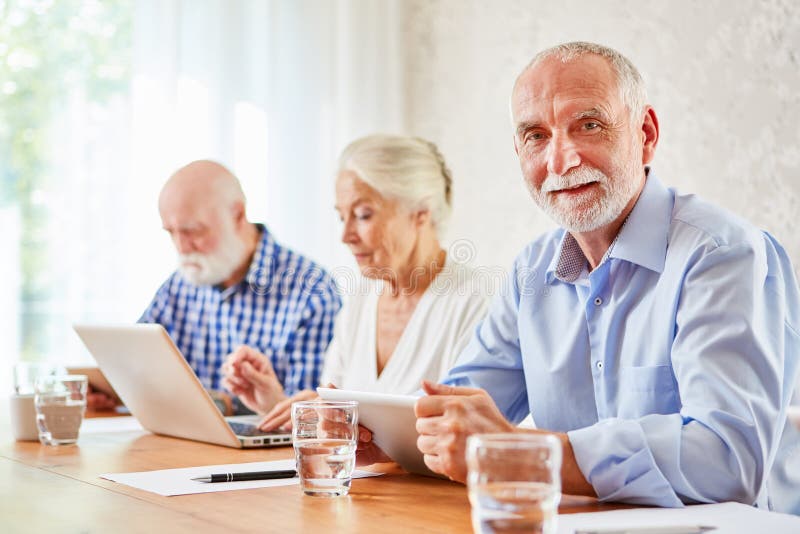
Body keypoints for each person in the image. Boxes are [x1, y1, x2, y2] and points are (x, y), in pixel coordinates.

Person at [366, 42, 800, 512]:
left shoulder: (722, 254)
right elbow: (459, 416)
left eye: (588, 125)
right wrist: (374, 431)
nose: (561, 160)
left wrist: (527, 454)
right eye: (536, 135)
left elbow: (728, 461)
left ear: (646, 133)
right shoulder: (531, 271)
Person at [222, 135, 489, 430]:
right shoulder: (361, 299)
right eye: (341, 217)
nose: (346, 235)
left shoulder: (474, 303)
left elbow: (458, 431)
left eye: (363, 215)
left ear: (420, 212)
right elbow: (337, 422)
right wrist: (278, 404)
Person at [135, 160, 341, 414]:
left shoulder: (312, 291)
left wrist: (230, 405)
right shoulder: (182, 283)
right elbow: (136, 362)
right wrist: (108, 388)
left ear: (238, 214)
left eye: (193, 231)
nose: (181, 247)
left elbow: (310, 415)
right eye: (171, 232)